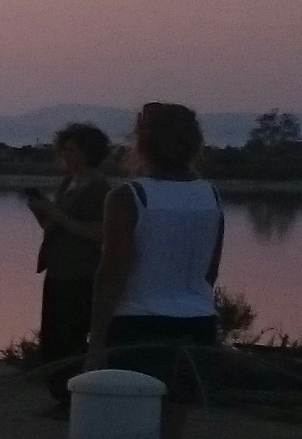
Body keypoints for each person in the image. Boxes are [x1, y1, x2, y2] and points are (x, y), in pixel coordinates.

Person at [92, 101, 225, 393]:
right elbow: (209, 271)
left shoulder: (128, 196)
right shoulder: (210, 195)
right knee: (173, 421)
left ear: (140, 142)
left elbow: (112, 273)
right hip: (199, 323)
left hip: (138, 326)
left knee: (131, 418)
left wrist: (97, 341)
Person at [21, 122, 112, 397]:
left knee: (71, 337)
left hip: (81, 272)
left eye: (72, 150)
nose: (67, 156)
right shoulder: (67, 182)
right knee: (52, 336)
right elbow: (54, 226)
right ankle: (59, 393)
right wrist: (40, 211)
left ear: (89, 152)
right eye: (65, 150)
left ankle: (71, 396)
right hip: (57, 269)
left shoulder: (99, 186)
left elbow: (98, 233)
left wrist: (54, 212)